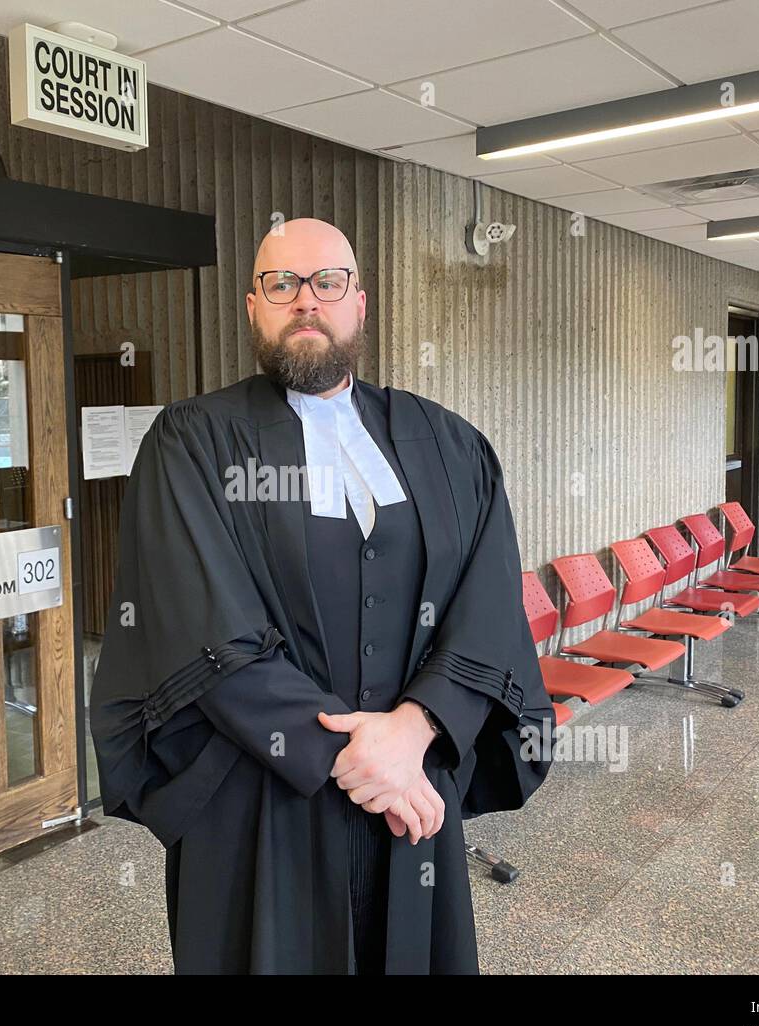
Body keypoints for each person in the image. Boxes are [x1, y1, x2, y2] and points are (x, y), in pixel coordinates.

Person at [90, 218, 553, 975]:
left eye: (327, 282)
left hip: (412, 781)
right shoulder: (192, 442)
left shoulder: (447, 443)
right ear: (252, 307)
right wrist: (355, 754)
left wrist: (417, 727)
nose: (306, 301)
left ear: (359, 303)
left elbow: (491, 601)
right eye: (282, 284)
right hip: (259, 796)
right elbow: (198, 621)